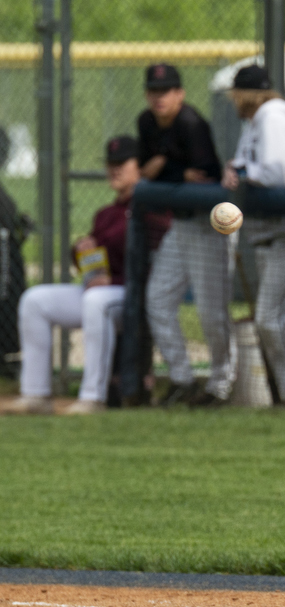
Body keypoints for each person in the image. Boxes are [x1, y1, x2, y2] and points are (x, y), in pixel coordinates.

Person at [3, 137, 168, 414]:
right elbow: (92, 265)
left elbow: (156, 267)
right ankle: (36, 394)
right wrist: (81, 251)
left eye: (122, 164)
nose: (114, 170)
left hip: (132, 294)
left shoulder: (152, 212)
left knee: (96, 301)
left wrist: (111, 281)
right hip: (102, 292)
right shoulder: (106, 213)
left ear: (140, 167)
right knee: (35, 299)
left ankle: (93, 397)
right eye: (110, 164)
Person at [221, 64, 285, 410]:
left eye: (235, 94)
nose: (233, 101)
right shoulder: (254, 122)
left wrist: (244, 172)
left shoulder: (272, 115)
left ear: (247, 94)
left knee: (269, 318)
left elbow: (274, 171)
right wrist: (235, 169)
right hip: (269, 236)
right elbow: (245, 163)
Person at [138, 63, 233, 407]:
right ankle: (181, 378)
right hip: (180, 226)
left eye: (166, 91)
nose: (160, 97)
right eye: (154, 91)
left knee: (211, 311)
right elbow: (143, 170)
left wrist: (163, 165)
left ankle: (221, 383)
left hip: (208, 226)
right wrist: (176, 171)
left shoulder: (192, 124)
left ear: (180, 93)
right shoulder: (146, 122)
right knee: (158, 299)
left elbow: (206, 175)